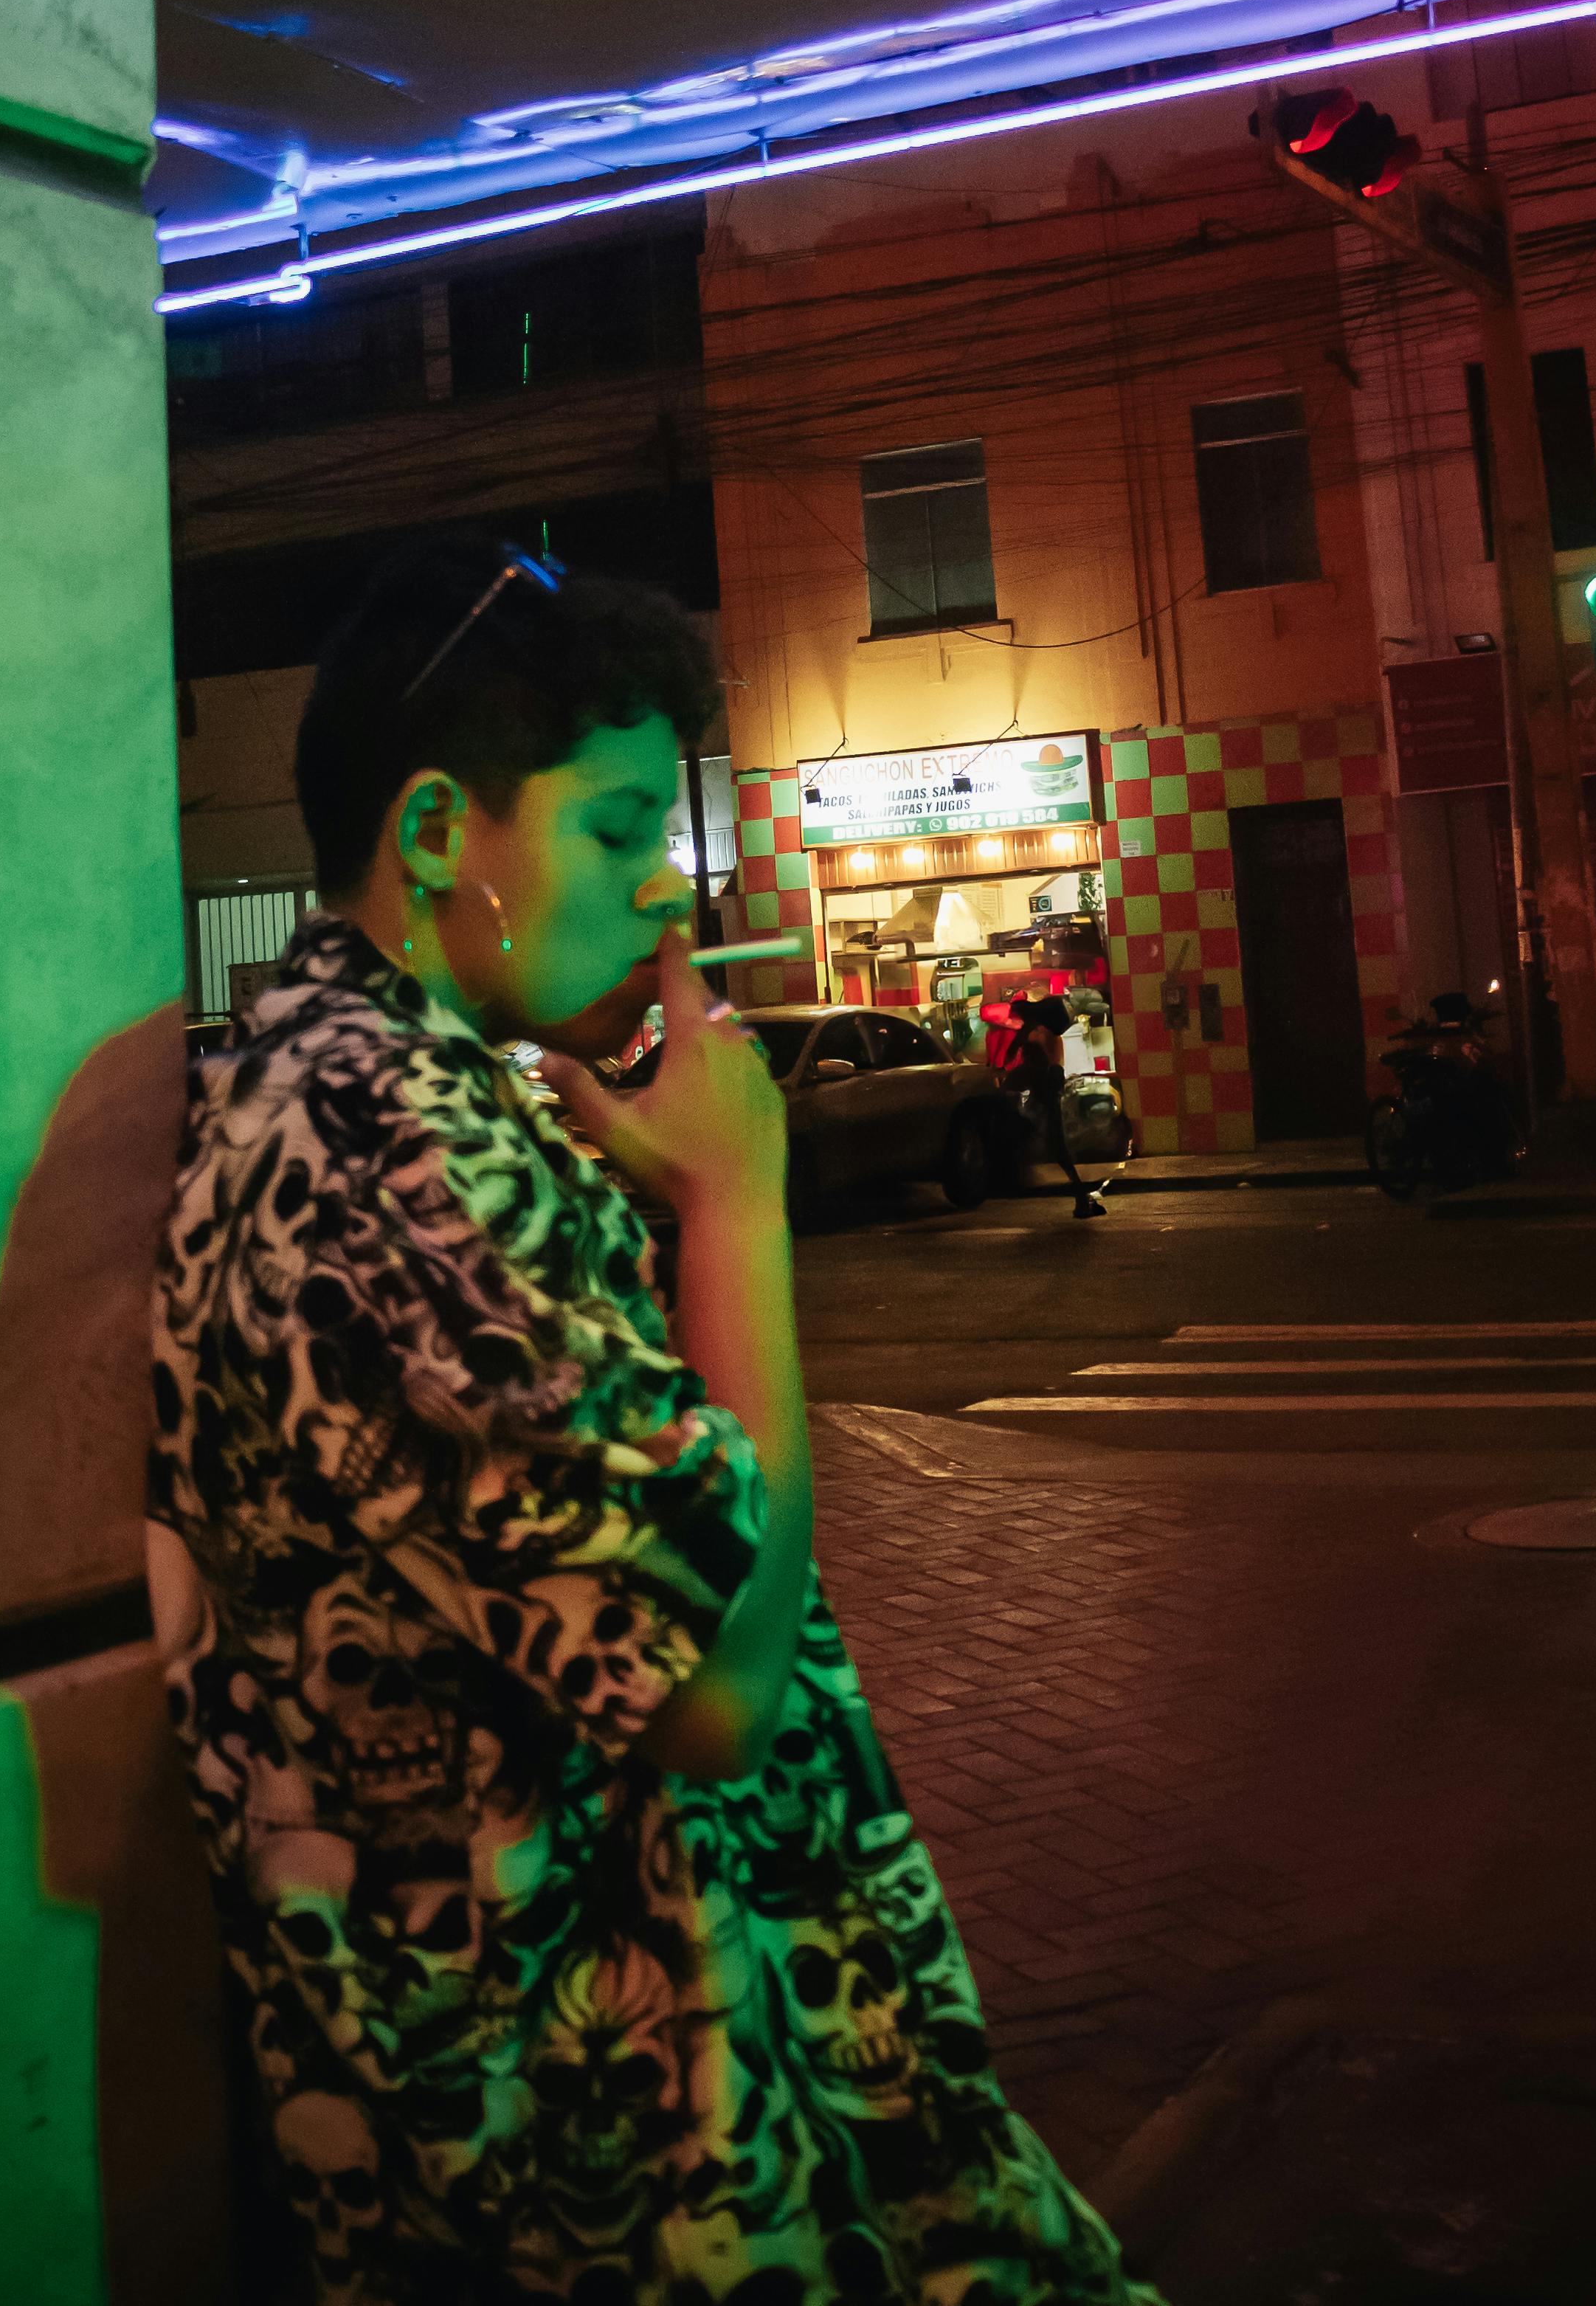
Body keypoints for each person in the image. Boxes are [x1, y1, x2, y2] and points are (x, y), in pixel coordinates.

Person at [148, 539, 1158, 2305]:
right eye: (616, 832)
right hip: (625, 2130)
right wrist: (735, 1203)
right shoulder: (399, 1147)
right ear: (444, 833)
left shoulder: (320, 1084)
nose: (671, 895)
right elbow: (713, 1688)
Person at [1006, 989, 1108, 1218]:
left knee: (1050, 1143)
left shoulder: (1040, 1034)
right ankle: (1081, 1197)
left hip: (1044, 1095)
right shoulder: (1047, 1035)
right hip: (1046, 1094)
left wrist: (1009, 1078)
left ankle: (1081, 1197)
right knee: (1053, 1145)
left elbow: (1030, 1062)